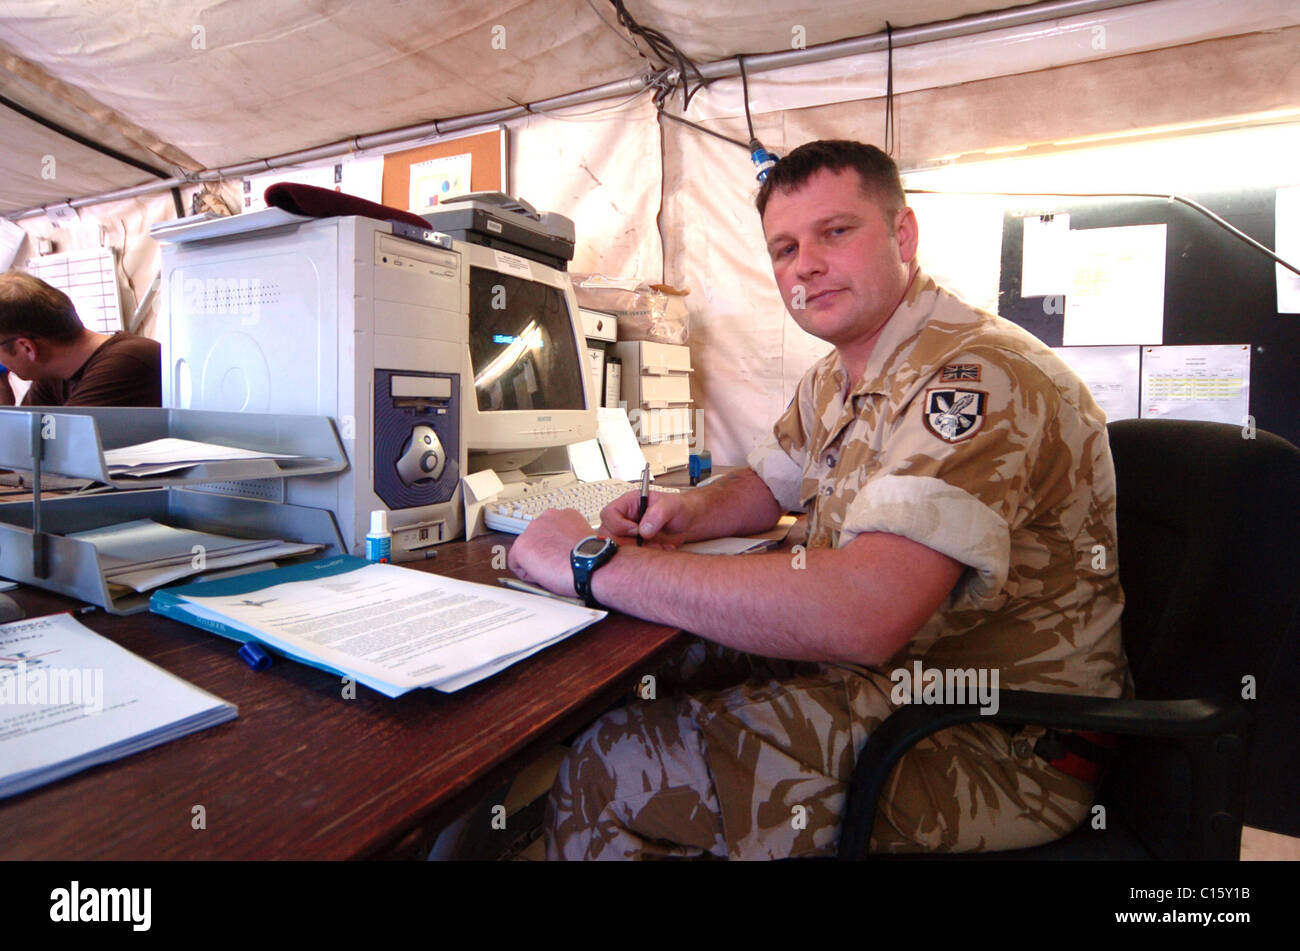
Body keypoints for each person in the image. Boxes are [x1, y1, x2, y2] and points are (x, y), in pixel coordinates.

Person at [508, 140, 1129, 860]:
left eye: (835, 232)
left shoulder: (977, 378)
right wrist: (687, 512)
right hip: (892, 686)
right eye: (783, 248)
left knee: (611, 768)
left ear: (903, 235)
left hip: (994, 738)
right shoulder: (835, 376)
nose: (804, 264)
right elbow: (766, 482)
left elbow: (865, 612)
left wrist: (594, 562)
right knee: (635, 676)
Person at [0, 270, 161, 407]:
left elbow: (64, 442)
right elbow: (23, 439)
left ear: (26, 348)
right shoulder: (53, 374)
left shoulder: (126, 363)